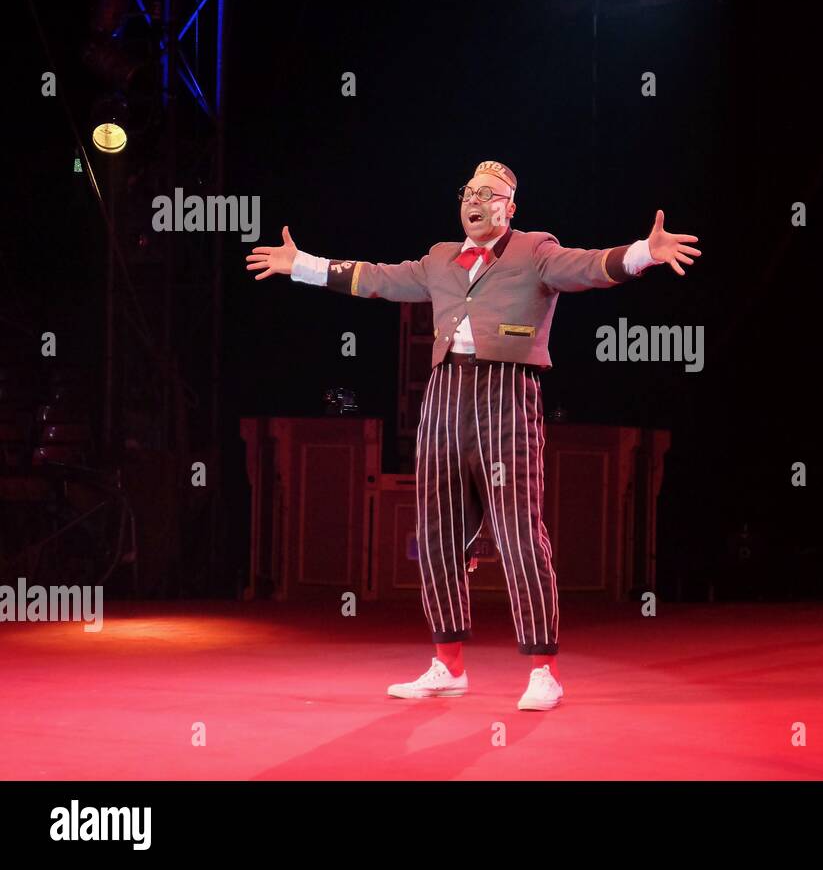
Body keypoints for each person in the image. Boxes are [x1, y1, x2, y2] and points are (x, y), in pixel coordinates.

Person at [245, 160, 700, 710]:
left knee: (517, 532)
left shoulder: (535, 250)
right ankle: (448, 664)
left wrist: (643, 254)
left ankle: (542, 669)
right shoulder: (439, 258)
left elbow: (587, 267)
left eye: (489, 194)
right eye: (469, 191)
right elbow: (377, 278)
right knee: (435, 533)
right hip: (444, 395)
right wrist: (303, 265)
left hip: (507, 393)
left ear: (510, 207)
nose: (475, 200)